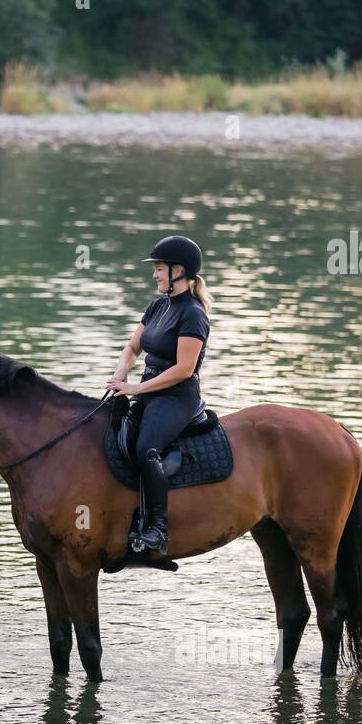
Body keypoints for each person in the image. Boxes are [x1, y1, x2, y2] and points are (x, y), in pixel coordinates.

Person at [104, 235, 213, 557]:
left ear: (178, 271)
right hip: (148, 390)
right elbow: (133, 346)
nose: (154, 274)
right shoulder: (157, 306)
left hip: (177, 396)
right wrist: (122, 370)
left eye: (159, 269)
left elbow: (183, 369)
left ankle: (158, 529)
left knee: (145, 448)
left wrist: (137, 389)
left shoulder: (192, 314)